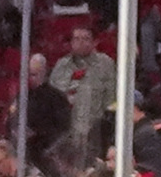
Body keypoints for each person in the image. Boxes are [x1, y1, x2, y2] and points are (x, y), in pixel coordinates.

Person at [46, 24, 115, 164]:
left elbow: (112, 100)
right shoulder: (61, 66)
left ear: (94, 42)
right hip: (65, 132)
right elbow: (50, 99)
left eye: (85, 39)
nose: (80, 42)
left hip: (94, 133)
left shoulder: (105, 64)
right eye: (76, 39)